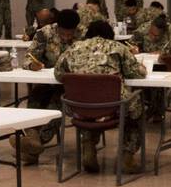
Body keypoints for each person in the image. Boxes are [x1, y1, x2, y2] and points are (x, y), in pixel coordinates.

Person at [54, 20, 146, 174]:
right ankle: (126, 157)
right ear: (110, 34)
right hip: (112, 107)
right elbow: (137, 73)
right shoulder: (118, 48)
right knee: (136, 108)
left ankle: (88, 145)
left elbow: (59, 74)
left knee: (92, 107)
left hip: (79, 107)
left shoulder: (73, 48)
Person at [13, 9, 83, 164]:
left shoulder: (83, 35)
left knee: (56, 104)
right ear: (57, 27)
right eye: (63, 34)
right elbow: (27, 59)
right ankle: (33, 141)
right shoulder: (45, 33)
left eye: (70, 34)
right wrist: (33, 65)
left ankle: (35, 143)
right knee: (35, 99)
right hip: (47, 82)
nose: (67, 37)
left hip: (70, 85)